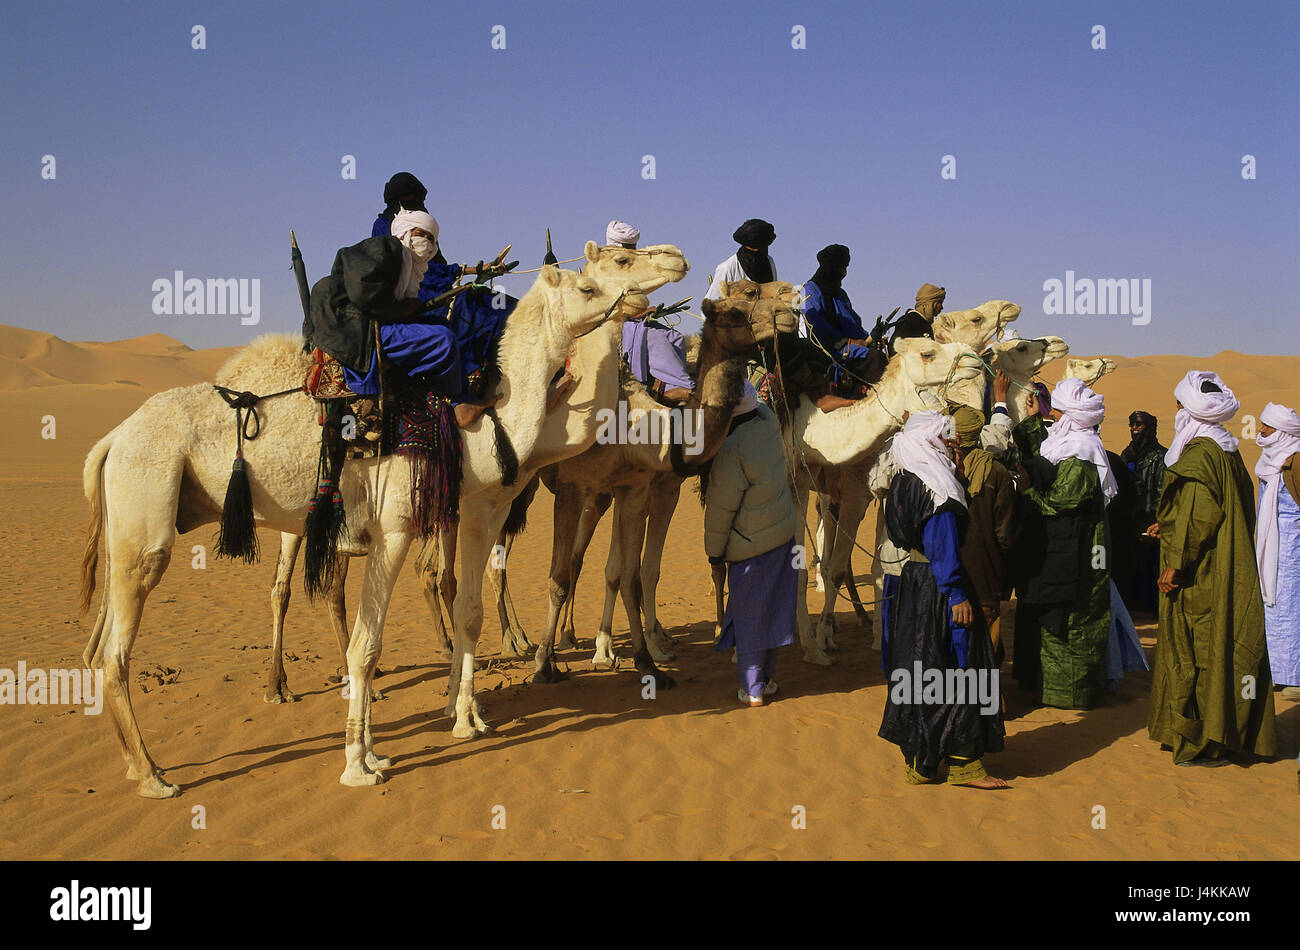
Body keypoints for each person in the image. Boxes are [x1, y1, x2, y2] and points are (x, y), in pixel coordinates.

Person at [1147, 371, 1276, 766]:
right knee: (1216, 649)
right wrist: (1165, 524)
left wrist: (1174, 563)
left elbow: (1200, 514)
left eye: (1180, 406)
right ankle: (1214, 735)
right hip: (1224, 564)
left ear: (1190, 411)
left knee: (1200, 651)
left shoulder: (1201, 453)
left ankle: (1203, 741)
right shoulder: (1228, 450)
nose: (1176, 412)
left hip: (1202, 575)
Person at [878, 411, 1008, 788]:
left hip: (914, 583)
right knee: (962, 668)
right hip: (940, 588)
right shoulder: (937, 488)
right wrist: (955, 595)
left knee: (920, 670)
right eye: (946, 440)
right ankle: (965, 762)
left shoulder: (904, 477)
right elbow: (943, 544)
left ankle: (921, 761)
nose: (952, 446)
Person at [1011, 377, 1115, 710]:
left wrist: (1025, 492)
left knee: (1073, 618)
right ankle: (1042, 684)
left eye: (1057, 409)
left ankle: (1072, 694)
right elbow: (1044, 452)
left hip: (1082, 552)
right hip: (1064, 546)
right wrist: (1031, 418)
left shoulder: (1083, 454)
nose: (1052, 414)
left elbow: (1061, 500)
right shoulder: (1068, 443)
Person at [704, 383, 799, 706]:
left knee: (750, 617)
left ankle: (752, 689)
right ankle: (767, 680)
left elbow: (720, 507)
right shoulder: (769, 423)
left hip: (750, 547)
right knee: (773, 610)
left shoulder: (731, 448)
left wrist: (714, 553)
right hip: (783, 536)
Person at [950, 407, 1017, 666]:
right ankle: (987, 704)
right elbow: (1005, 533)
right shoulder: (997, 471)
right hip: (987, 573)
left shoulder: (939, 468)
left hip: (951, 573)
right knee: (988, 642)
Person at [614, 220, 693, 405]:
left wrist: (644, 311)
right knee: (655, 338)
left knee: (675, 337)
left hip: (634, 319)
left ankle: (667, 387)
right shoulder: (605, 269)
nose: (632, 250)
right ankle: (681, 386)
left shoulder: (630, 265)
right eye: (628, 247)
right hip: (615, 324)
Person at [1254, 402, 1300, 699]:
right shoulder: (1268, 461)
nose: (1261, 431)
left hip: (1293, 549)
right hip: (1271, 545)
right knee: (1272, 605)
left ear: (1281, 431)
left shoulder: (1295, 462)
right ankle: (1278, 670)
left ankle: (1293, 675)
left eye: (1267, 426)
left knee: (1292, 607)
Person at [800, 244, 888, 390]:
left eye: (845, 268)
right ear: (829, 268)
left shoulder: (841, 294)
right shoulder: (805, 292)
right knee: (875, 359)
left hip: (849, 348)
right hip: (826, 351)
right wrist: (848, 342)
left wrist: (872, 337)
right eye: (841, 268)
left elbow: (853, 326)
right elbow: (815, 329)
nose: (845, 273)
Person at [1121, 411, 1167, 613]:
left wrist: (1159, 520)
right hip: (1130, 522)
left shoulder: (1162, 457)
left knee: (1151, 567)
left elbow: (1162, 492)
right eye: (1132, 425)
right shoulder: (1128, 453)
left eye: (1139, 425)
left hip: (1151, 522)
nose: (1135, 429)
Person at [705, 219, 778, 301]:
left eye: (760, 249)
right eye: (753, 250)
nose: (757, 253)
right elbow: (710, 306)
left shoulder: (769, 262)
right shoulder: (727, 268)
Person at [889, 283, 945, 353]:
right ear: (932, 304)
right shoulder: (912, 321)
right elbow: (894, 349)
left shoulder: (922, 322)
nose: (942, 307)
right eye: (940, 303)